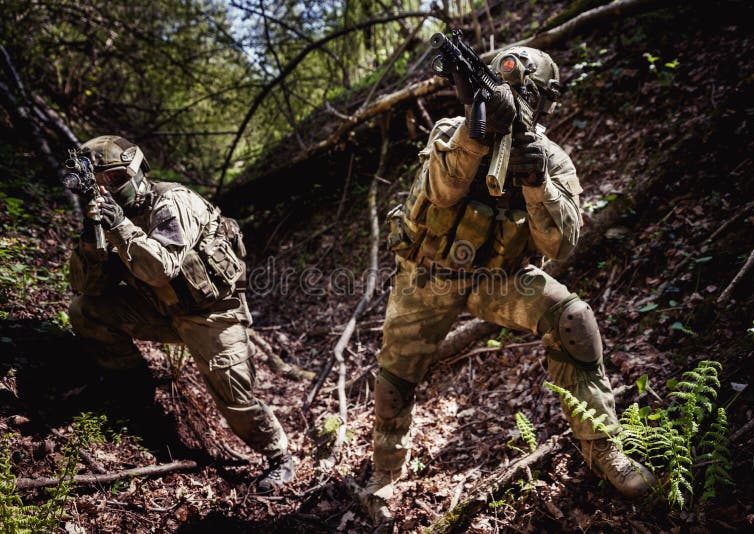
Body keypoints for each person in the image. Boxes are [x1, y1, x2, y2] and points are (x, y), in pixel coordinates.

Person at [362, 47, 655, 522]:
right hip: (429, 275)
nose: (514, 99)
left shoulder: (554, 160)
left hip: (498, 278)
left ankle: (603, 448)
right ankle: (386, 472)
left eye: (526, 94)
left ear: (545, 104)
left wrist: (537, 180)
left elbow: (560, 245)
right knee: (397, 375)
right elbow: (440, 191)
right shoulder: (451, 131)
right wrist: (475, 136)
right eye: (506, 92)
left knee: (572, 317)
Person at [66, 135, 294, 492]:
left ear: (137, 172)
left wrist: (120, 227)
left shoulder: (172, 203)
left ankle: (279, 456)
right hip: (159, 310)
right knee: (86, 311)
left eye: (113, 181)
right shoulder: (109, 216)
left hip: (211, 315)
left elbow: (161, 269)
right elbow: (86, 287)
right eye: (98, 184)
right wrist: (90, 242)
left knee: (235, 399)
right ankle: (135, 391)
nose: (105, 190)